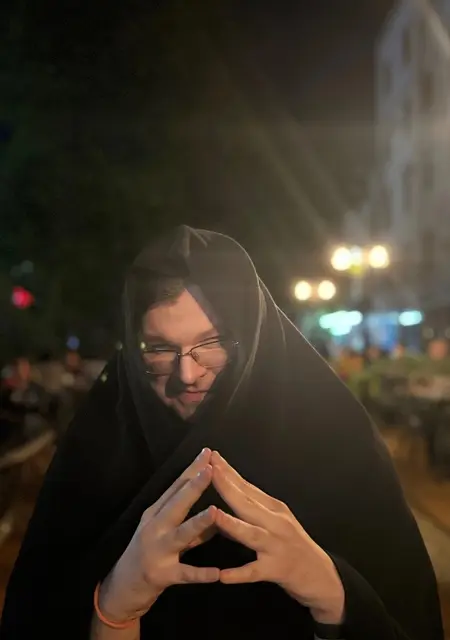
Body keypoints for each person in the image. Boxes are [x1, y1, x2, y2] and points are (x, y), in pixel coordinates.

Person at [0, 226, 443, 640]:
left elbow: (408, 614)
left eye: (213, 344)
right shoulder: (96, 455)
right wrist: (115, 604)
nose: (187, 374)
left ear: (254, 340)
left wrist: (332, 589)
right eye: (159, 349)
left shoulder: (338, 446)